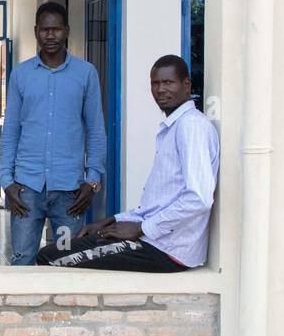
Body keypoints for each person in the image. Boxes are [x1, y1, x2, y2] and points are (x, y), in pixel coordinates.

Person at [36, 54, 219, 271]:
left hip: (166, 250)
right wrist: (111, 220)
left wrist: (142, 228)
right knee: (69, 246)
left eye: (168, 82)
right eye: (155, 83)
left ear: (186, 84)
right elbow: (157, 204)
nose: (160, 90)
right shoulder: (174, 127)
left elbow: (199, 199)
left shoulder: (191, 126)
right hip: (153, 240)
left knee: (51, 258)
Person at [0, 1, 106, 265]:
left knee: (67, 262)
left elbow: (96, 131)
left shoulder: (85, 74)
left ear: (67, 31)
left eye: (56, 29)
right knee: (22, 260)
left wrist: (92, 181)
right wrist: (6, 180)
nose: (50, 35)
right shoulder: (21, 75)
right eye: (45, 30)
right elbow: (11, 130)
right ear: (36, 31)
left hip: (70, 193)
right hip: (27, 189)